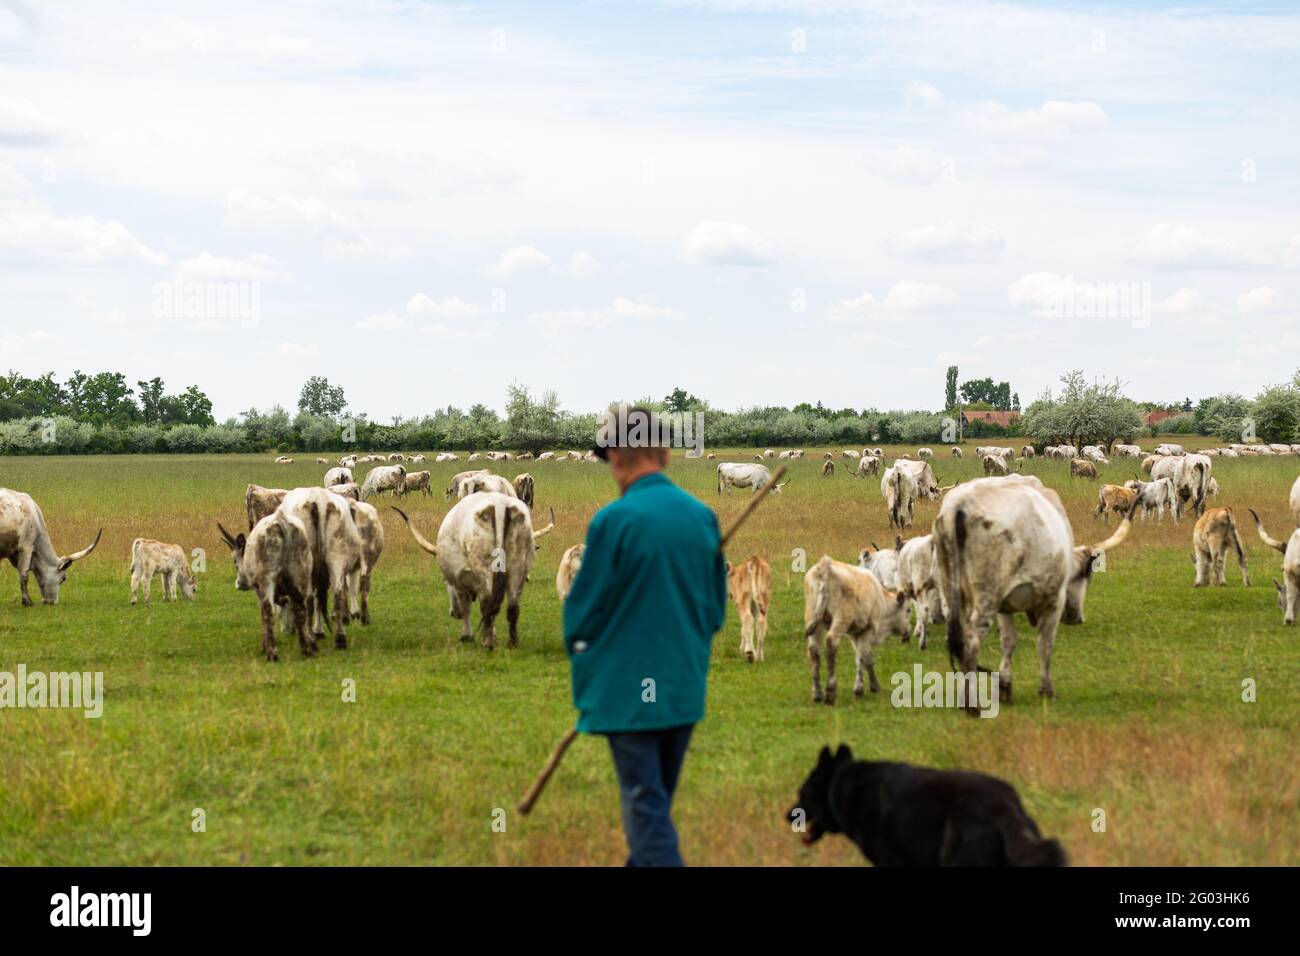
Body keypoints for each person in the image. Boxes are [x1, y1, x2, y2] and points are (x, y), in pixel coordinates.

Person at [562, 405, 728, 866]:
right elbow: (715, 612)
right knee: (653, 809)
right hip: (682, 695)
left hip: (630, 702)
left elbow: (579, 619)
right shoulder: (702, 517)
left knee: (648, 815)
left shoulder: (613, 522)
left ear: (616, 455)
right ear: (665, 454)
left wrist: (593, 674)